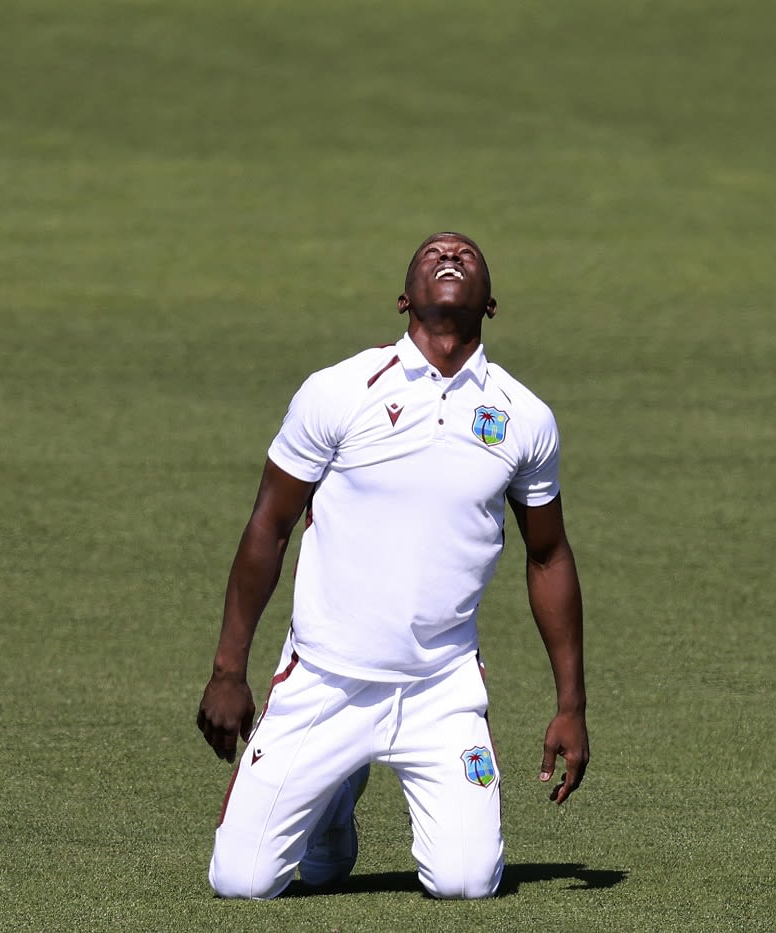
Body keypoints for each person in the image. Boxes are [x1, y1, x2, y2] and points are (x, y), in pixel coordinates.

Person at [196, 231, 588, 901]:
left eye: (466, 253)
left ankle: (345, 783)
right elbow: (269, 524)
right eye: (434, 252)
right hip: (324, 677)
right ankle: (332, 804)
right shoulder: (340, 390)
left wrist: (571, 704)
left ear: (490, 303)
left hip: (441, 689)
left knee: (466, 883)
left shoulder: (525, 417)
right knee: (242, 882)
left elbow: (548, 554)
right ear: (404, 297)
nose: (450, 254)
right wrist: (228, 669)